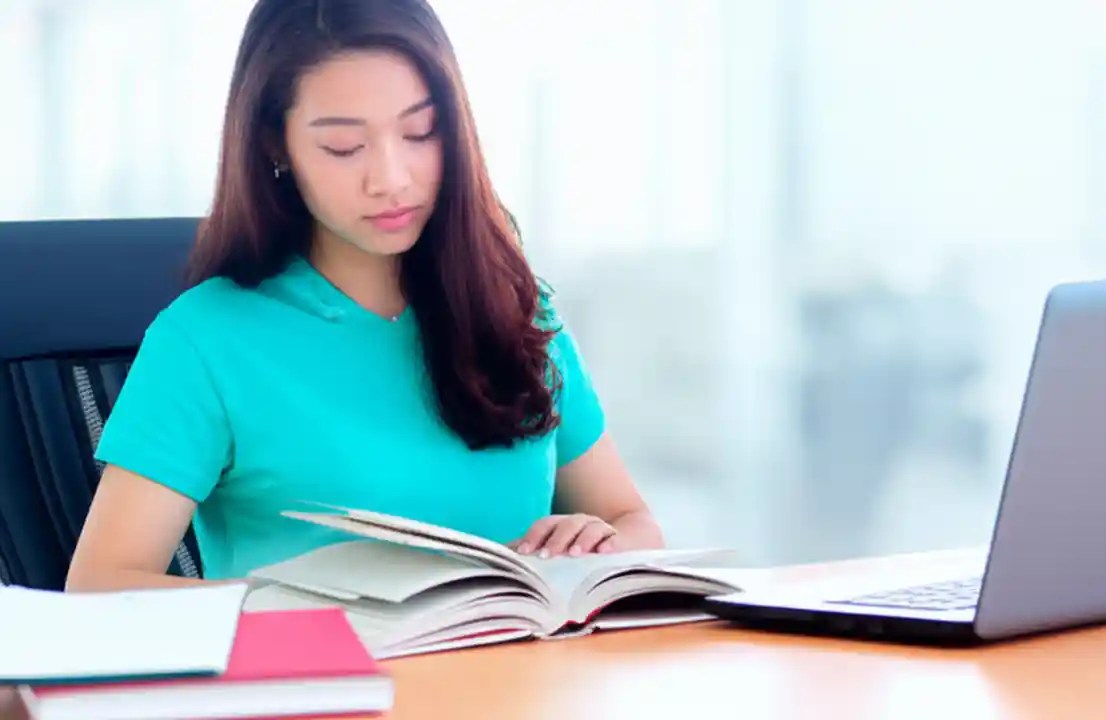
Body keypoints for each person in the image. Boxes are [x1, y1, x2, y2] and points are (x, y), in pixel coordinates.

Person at [65, 0, 663, 591]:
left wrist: (596, 546)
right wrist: (323, 616)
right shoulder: (206, 339)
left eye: (420, 133)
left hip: (525, 681)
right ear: (277, 146)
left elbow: (632, 523)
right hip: (322, 685)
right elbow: (99, 587)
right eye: (345, 148)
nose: (391, 179)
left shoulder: (515, 307)